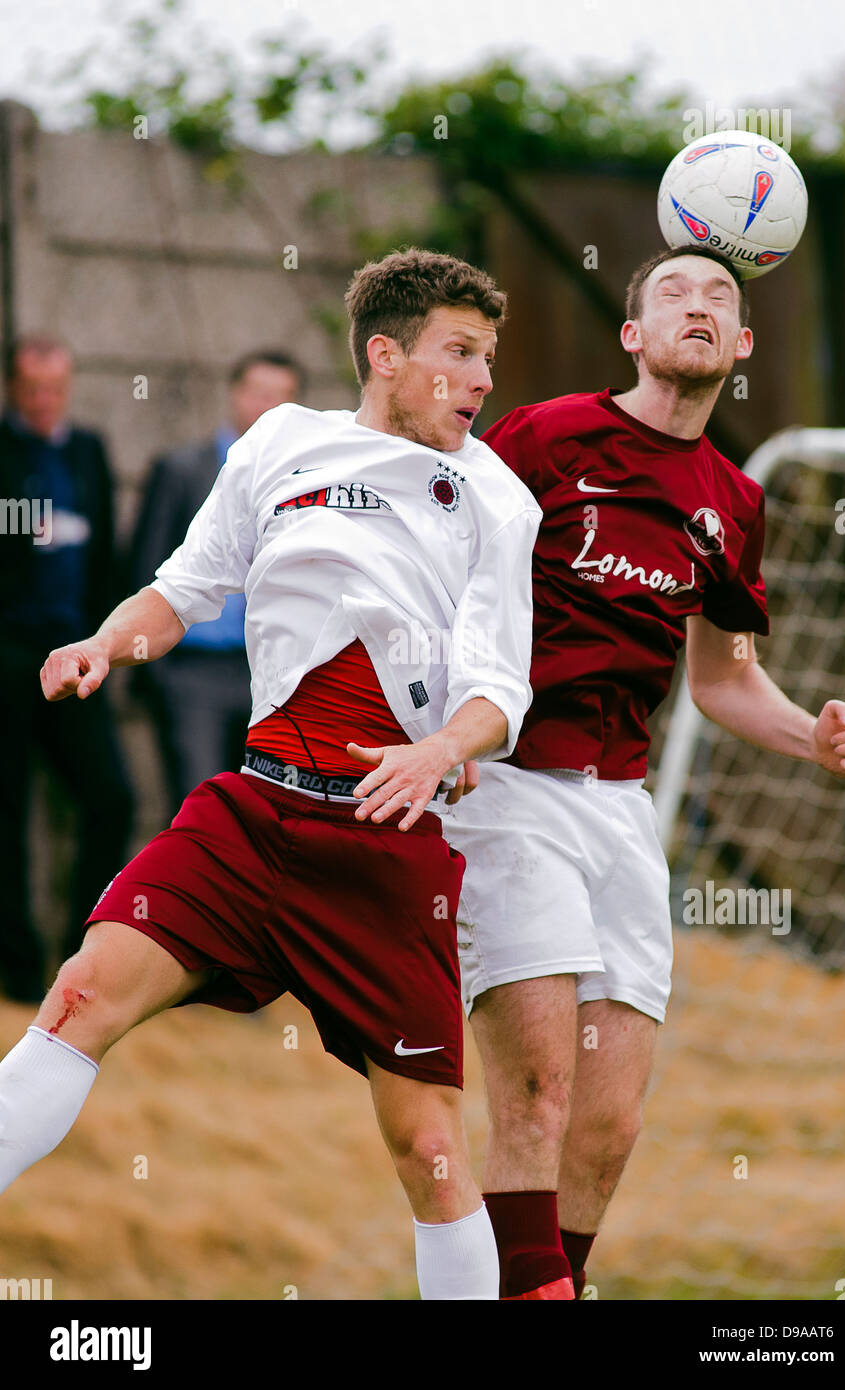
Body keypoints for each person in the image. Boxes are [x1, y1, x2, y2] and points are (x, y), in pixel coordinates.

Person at [0, 249, 542, 1300]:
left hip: (385, 845)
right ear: (386, 355)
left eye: (490, 358)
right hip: (251, 812)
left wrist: (440, 750)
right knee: (76, 997)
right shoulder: (281, 443)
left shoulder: (494, 500)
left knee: (426, 1146)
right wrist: (105, 646)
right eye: (460, 354)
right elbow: (184, 586)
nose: (482, 380)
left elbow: (499, 691)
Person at [441, 247, 845, 1299]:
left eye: (720, 299)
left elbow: (724, 679)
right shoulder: (542, 439)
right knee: (537, 1095)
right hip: (506, 791)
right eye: (672, 293)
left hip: (618, 810)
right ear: (631, 336)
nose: (699, 305)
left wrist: (807, 738)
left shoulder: (729, 498)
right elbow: (441, 569)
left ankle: (550, 1281)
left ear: (736, 348)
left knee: (607, 1118)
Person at [0, 334, 134, 1001]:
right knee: (6, 812)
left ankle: (84, 954)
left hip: (74, 654)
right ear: (12, 388)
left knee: (112, 797)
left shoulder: (89, 452)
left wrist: (104, 644)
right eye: (33, 389)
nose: (46, 401)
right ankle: (17, 970)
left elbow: (107, 549)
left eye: (56, 388)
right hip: (8, 657)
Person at [130, 350, 303, 817]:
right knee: (196, 810)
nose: (267, 408)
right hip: (192, 672)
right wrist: (156, 676)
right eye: (259, 393)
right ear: (235, 394)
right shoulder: (182, 469)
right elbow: (145, 564)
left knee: (261, 815)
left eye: (281, 398)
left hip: (265, 676)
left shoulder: (302, 482)